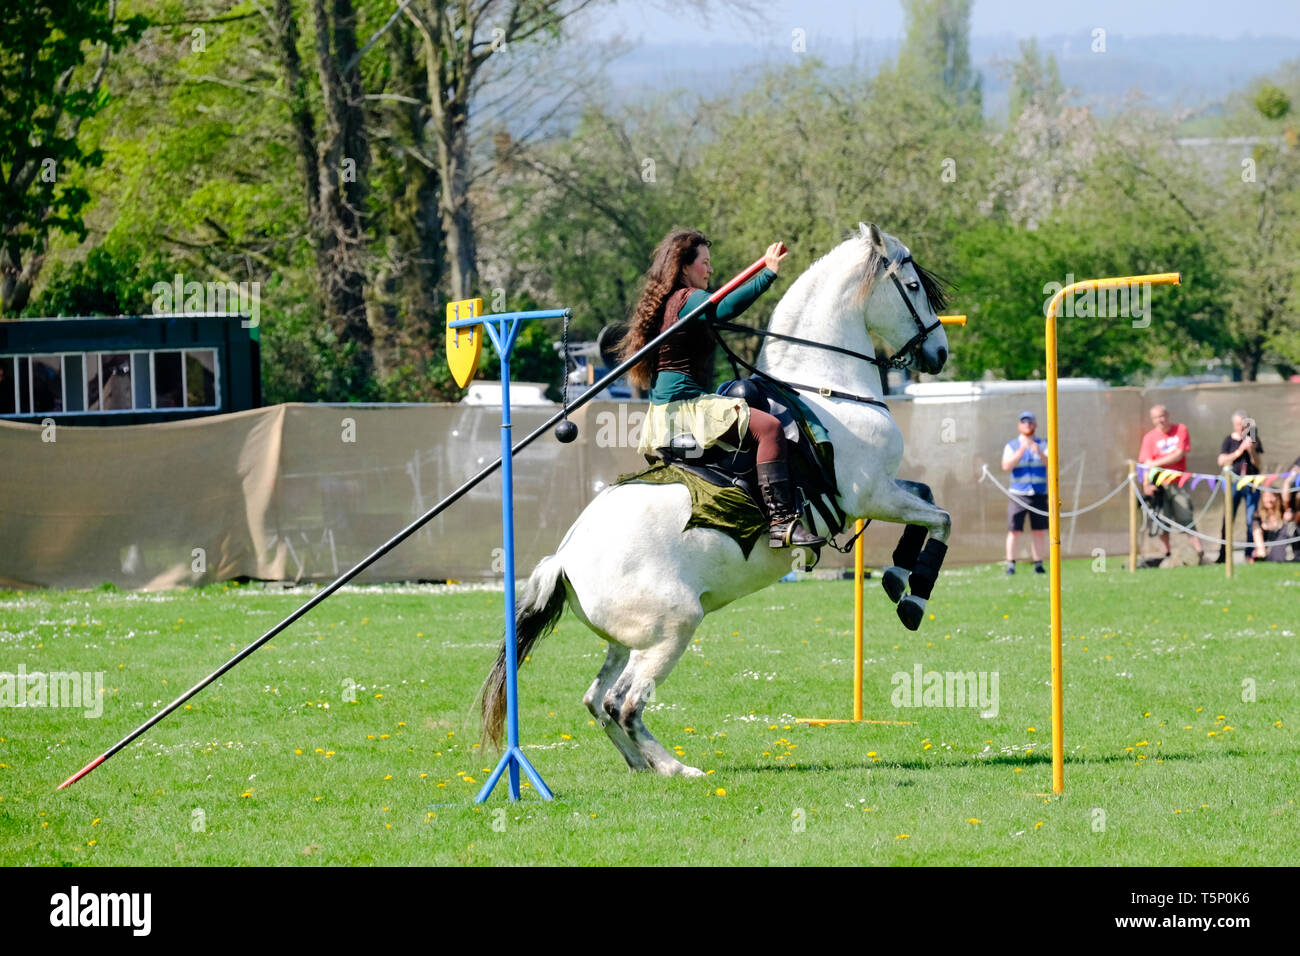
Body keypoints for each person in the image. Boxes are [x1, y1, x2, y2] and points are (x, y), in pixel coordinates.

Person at [619, 229, 823, 549]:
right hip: (685, 408)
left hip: (666, 411)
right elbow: (724, 308)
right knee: (769, 428)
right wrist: (768, 273)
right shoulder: (688, 298)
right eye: (705, 262)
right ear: (685, 267)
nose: (710, 270)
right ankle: (782, 521)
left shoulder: (667, 302)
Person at [1137, 404, 1204, 563]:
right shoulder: (1149, 438)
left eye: (1162, 416)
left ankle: (1199, 552)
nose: (1160, 420)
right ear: (1152, 420)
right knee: (1161, 519)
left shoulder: (1180, 430)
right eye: (1156, 417)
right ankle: (1167, 555)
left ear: (1168, 415)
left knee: (1185, 515)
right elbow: (1146, 464)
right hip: (1159, 486)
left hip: (1178, 483)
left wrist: (1155, 463)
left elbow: (1178, 455)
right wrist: (1146, 484)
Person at [1001, 410, 1047, 575]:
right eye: (1024, 422)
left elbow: (1051, 463)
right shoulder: (1012, 445)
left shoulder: (1044, 443)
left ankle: (1039, 564)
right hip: (1018, 495)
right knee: (1014, 530)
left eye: (1030, 422)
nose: (1027, 425)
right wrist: (1021, 451)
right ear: (1019, 425)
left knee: (1039, 530)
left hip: (1039, 494)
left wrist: (1038, 451)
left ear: (1035, 424)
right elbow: (1006, 466)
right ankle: (1011, 565)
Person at [1215, 410, 1264, 563]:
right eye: (1238, 424)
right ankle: (1224, 554)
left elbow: (1259, 464)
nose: (1241, 427)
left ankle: (1251, 554)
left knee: (1251, 519)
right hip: (1233, 484)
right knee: (1228, 517)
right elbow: (1222, 461)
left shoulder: (1254, 439)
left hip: (1251, 483)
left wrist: (1251, 450)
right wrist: (1239, 450)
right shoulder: (1229, 440)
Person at [1250, 490, 1294, 563]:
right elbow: (1256, 530)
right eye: (1266, 497)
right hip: (1265, 550)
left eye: (1271, 496)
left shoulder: (1283, 513)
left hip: (1283, 549)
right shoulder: (1258, 515)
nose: (1269, 500)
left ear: (1277, 498)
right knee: (1257, 532)